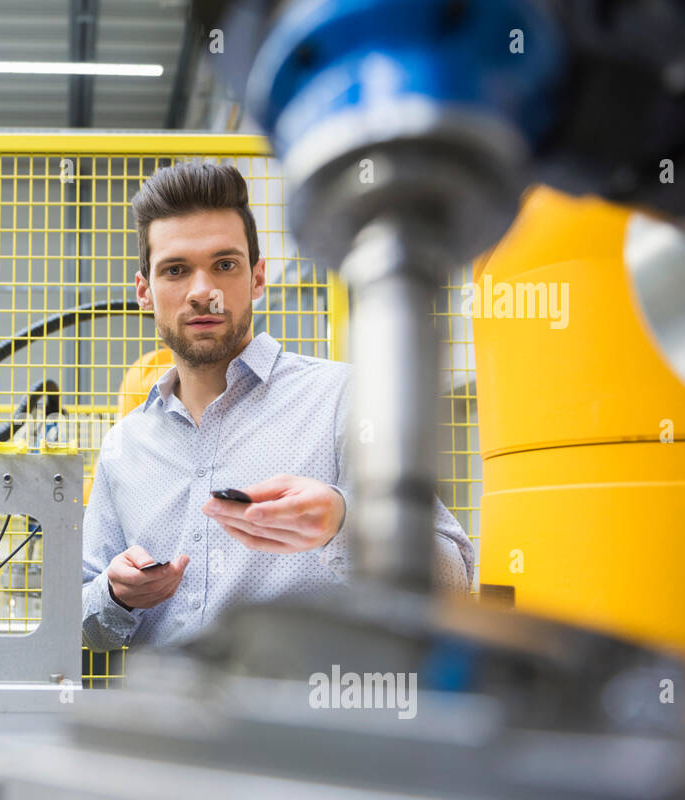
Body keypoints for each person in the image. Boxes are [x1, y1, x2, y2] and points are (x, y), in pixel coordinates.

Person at [81, 162, 473, 651]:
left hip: (306, 719)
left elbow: (455, 580)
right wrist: (116, 595)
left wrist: (344, 522)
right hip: (171, 719)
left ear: (258, 278)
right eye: (176, 270)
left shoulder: (341, 400)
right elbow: (84, 626)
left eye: (225, 265)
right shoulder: (126, 445)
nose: (203, 291)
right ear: (145, 291)